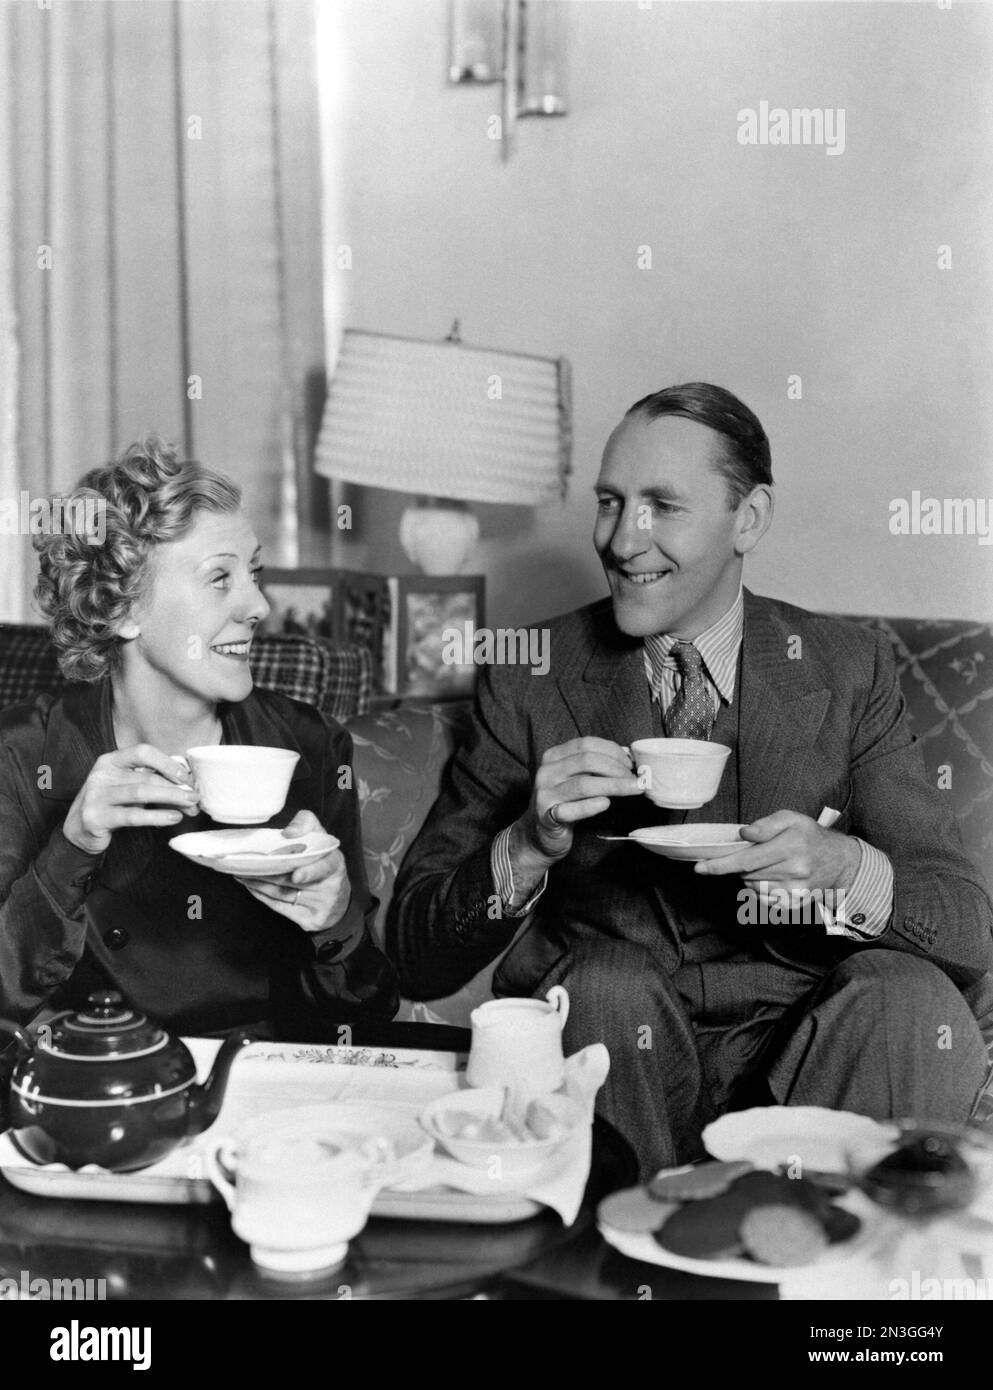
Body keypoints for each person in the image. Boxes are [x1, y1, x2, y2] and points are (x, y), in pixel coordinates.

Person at [387, 383, 993, 1176]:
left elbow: (964, 930)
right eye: (610, 502)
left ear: (749, 518)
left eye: (661, 506)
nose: (622, 540)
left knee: (907, 995)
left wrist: (847, 868)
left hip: (813, 1054)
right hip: (613, 1051)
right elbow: (414, 956)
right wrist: (528, 844)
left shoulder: (847, 669)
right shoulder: (529, 671)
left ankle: (824, 1275)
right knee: (603, 983)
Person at [0, 438, 398, 1037]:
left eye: (254, 575)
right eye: (220, 579)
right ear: (120, 609)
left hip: (261, 1086)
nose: (259, 605)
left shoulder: (310, 746)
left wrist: (334, 919)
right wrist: (74, 843)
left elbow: (364, 1013)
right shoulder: (22, 753)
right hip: (100, 1078)